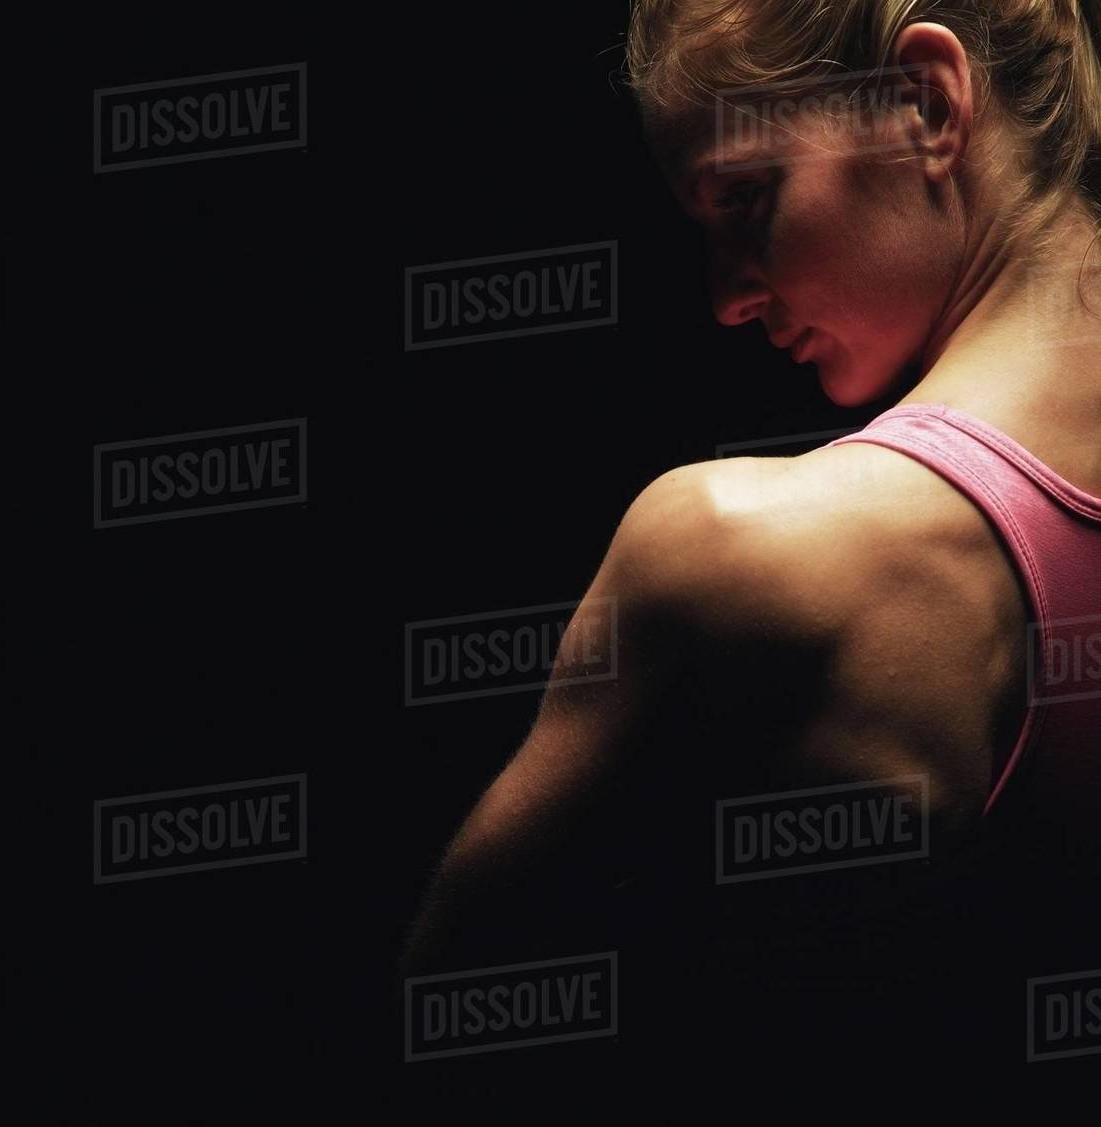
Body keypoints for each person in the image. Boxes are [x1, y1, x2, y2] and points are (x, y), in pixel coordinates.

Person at [400, 2, 1101, 1033]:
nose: (728, 297)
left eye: (744, 196)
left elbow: (434, 1026)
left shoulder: (744, 554)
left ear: (924, 103)